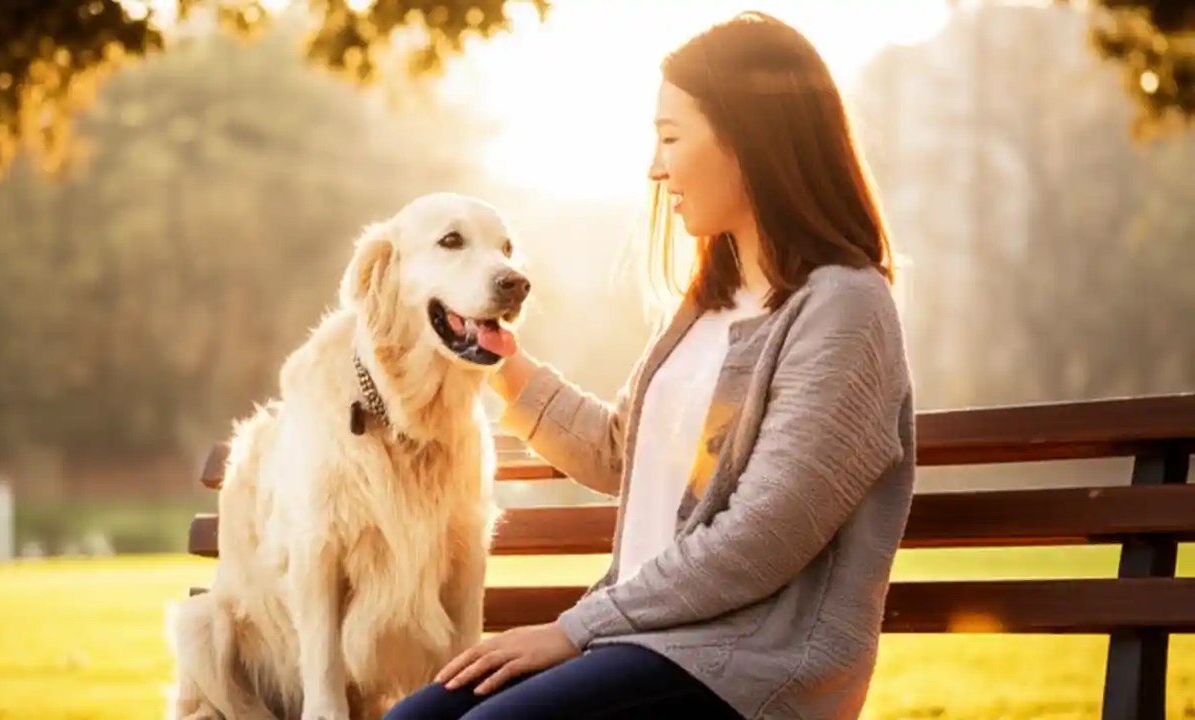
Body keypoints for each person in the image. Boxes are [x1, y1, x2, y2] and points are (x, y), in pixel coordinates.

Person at [384, 10, 915, 720]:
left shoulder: (843, 309)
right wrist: (499, 361)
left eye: (670, 138)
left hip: (747, 670)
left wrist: (573, 630)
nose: (655, 167)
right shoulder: (707, 306)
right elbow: (617, 453)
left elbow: (764, 536)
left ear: (749, 142)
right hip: (645, 644)